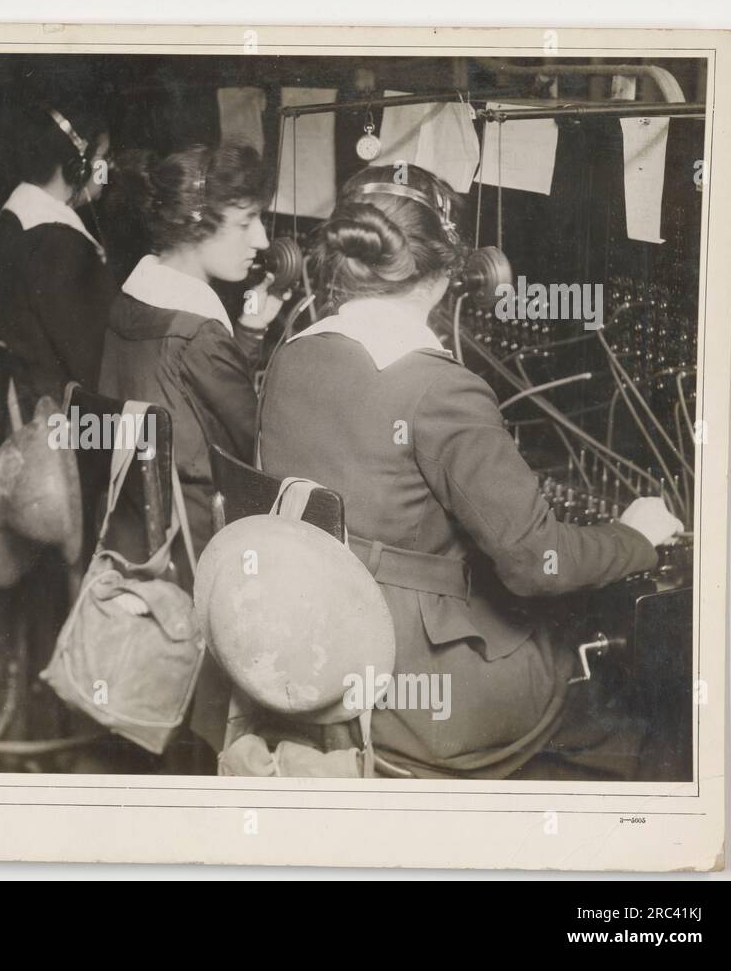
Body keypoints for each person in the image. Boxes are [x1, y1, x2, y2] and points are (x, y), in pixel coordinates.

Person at [256, 163, 684, 780]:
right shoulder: (442, 389)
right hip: (418, 693)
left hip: (312, 651)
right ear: (449, 273)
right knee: (642, 713)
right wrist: (635, 537)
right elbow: (539, 564)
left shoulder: (291, 355)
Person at [96, 139, 287, 763]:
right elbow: (255, 446)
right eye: (245, 222)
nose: (261, 240)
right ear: (193, 225)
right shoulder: (199, 330)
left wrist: (246, 331)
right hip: (195, 551)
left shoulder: (132, 300)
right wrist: (254, 337)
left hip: (133, 536)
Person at [0, 100, 118, 404]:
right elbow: (97, 368)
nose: (110, 167)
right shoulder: (61, 245)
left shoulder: (10, 223)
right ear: (78, 167)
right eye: (104, 157)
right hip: (59, 426)